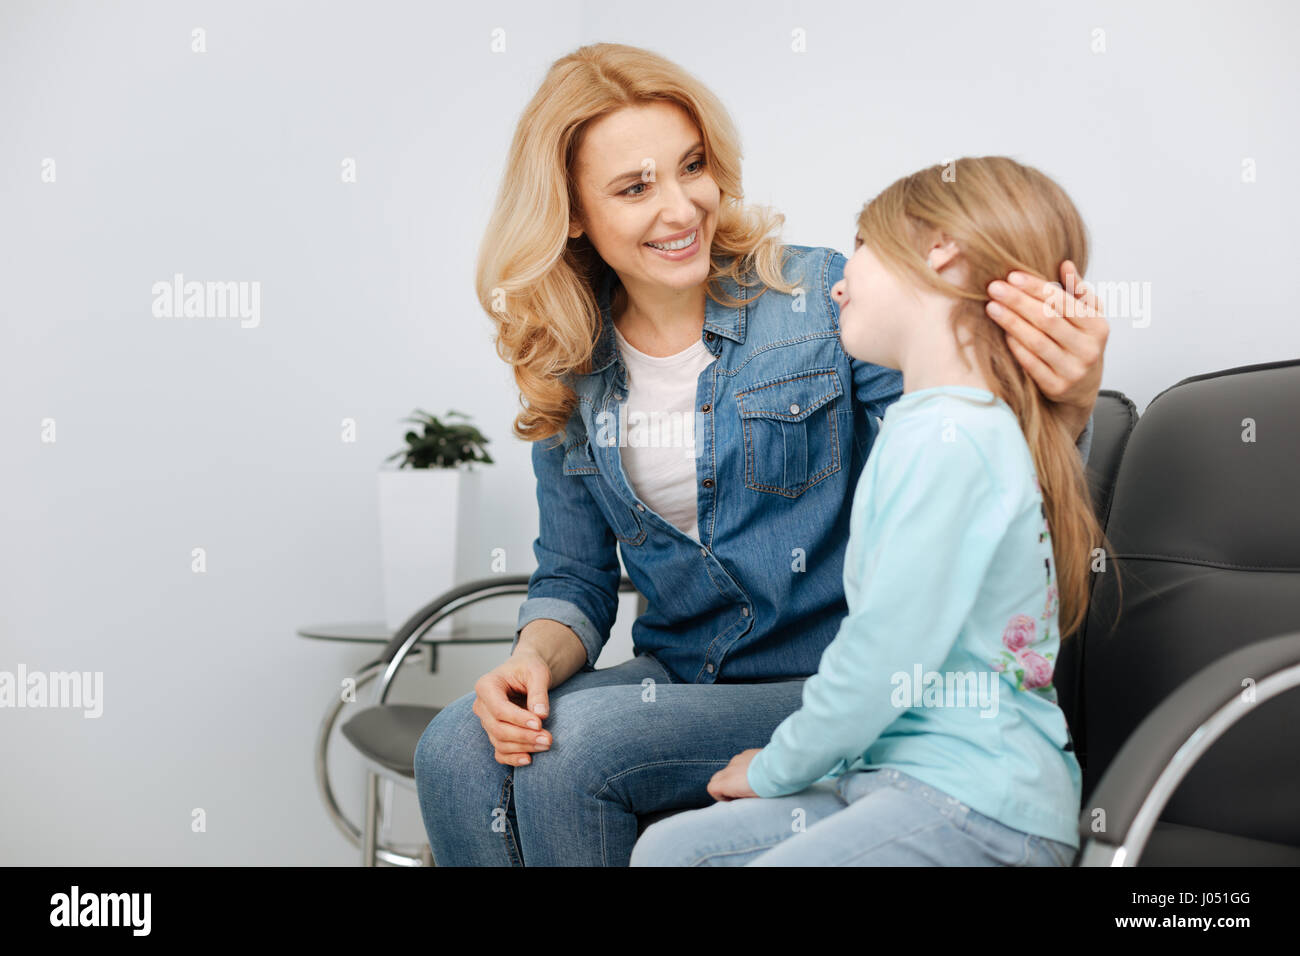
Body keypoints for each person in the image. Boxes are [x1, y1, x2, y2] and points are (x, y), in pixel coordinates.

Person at [414, 43, 1109, 866]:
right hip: (677, 683)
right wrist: (530, 660)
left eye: (692, 167)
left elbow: (969, 471)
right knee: (456, 747)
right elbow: (573, 576)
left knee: (578, 747)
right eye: (635, 187)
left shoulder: (824, 300)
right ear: (572, 214)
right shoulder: (571, 358)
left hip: (833, 679)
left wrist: (1069, 402)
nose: (681, 208)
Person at [630, 156, 1112, 867]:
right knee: (668, 852)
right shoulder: (923, 427)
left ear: (940, 249)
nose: (836, 278)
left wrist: (776, 766)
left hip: (979, 799)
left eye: (861, 246)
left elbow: (884, 657)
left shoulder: (955, 440)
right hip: (890, 776)